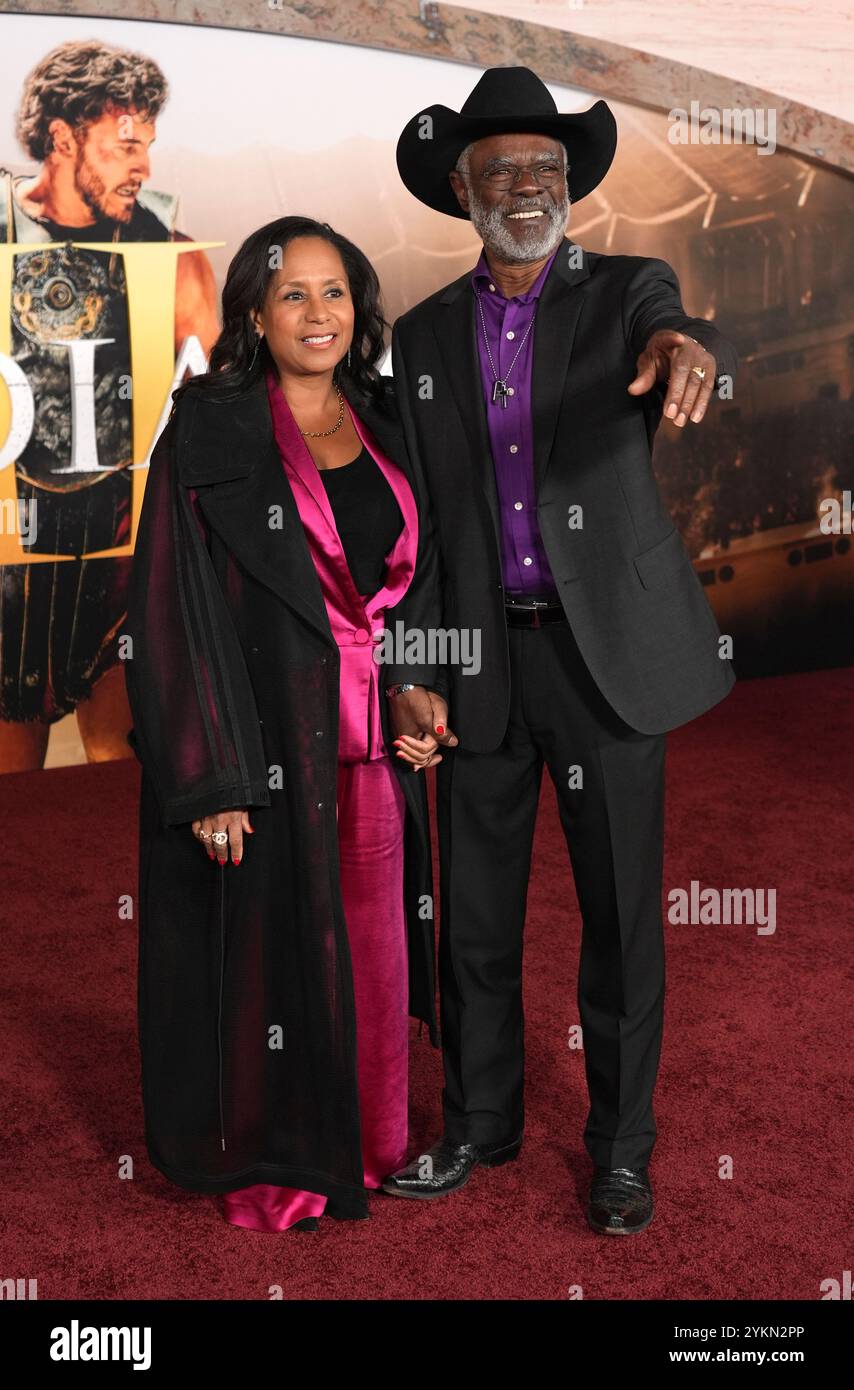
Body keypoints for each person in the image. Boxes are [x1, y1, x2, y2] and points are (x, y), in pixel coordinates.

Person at [381, 66, 738, 1234]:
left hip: (605, 665)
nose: (527, 186)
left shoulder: (628, 288)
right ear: (461, 186)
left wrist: (684, 346)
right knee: (471, 921)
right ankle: (478, 1125)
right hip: (482, 660)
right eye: (502, 170)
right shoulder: (425, 334)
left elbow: (669, 324)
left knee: (622, 923)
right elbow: (427, 522)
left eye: (545, 168)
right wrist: (418, 669)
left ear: (567, 185)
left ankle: (620, 1152)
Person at [124, 216, 453, 1232]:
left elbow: (413, 589)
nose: (318, 313)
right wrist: (210, 775)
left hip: (367, 751)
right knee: (275, 953)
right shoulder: (209, 429)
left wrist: (417, 686)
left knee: (370, 946)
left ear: (359, 310)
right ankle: (286, 1160)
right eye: (293, 294)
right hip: (263, 744)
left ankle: (369, 1140)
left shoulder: (391, 421)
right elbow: (169, 605)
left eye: (335, 292)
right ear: (254, 316)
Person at [0, 38, 219, 771]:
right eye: (125, 143)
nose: (144, 164)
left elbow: (215, 409)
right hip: (10, 560)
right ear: (63, 136)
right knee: (11, 790)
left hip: (124, 558)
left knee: (123, 781)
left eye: (148, 145)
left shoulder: (174, 254)